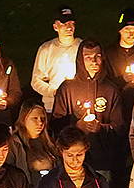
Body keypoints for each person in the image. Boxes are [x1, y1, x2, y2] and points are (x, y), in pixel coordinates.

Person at [52, 41, 126, 177]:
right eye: (88, 57)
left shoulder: (110, 89)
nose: (94, 61)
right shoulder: (67, 88)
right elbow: (56, 124)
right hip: (73, 163)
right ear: (81, 60)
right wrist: (76, 126)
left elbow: (119, 127)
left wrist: (101, 128)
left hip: (102, 161)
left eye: (98, 56)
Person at [29, 4, 82, 111]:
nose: (69, 28)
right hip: (53, 105)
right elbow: (36, 81)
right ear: (55, 27)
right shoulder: (46, 49)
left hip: (78, 103)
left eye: (71, 23)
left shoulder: (82, 47)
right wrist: (53, 91)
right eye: (64, 24)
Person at [103, 7, 134, 112]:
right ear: (120, 31)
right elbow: (104, 80)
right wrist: (123, 80)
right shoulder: (109, 54)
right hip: (117, 105)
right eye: (127, 30)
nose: (131, 34)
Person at [9, 103, 59, 181]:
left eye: (43, 118)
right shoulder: (15, 144)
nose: (40, 122)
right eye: (35, 118)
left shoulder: (50, 142)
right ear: (24, 119)